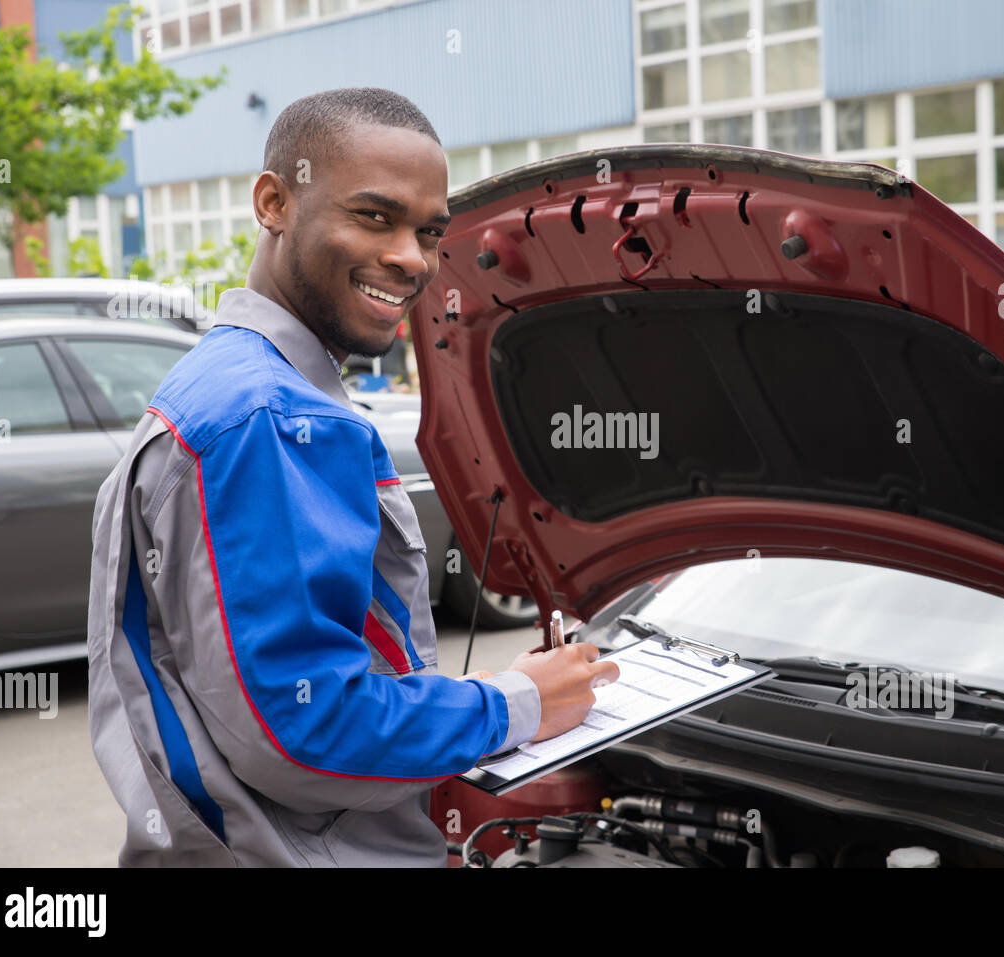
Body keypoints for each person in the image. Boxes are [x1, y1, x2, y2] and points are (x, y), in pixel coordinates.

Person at [86, 87, 619, 866]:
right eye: (375, 216)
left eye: (429, 232)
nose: (411, 257)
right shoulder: (269, 416)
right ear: (274, 202)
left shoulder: (219, 387)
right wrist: (517, 703)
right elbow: (300, 731)